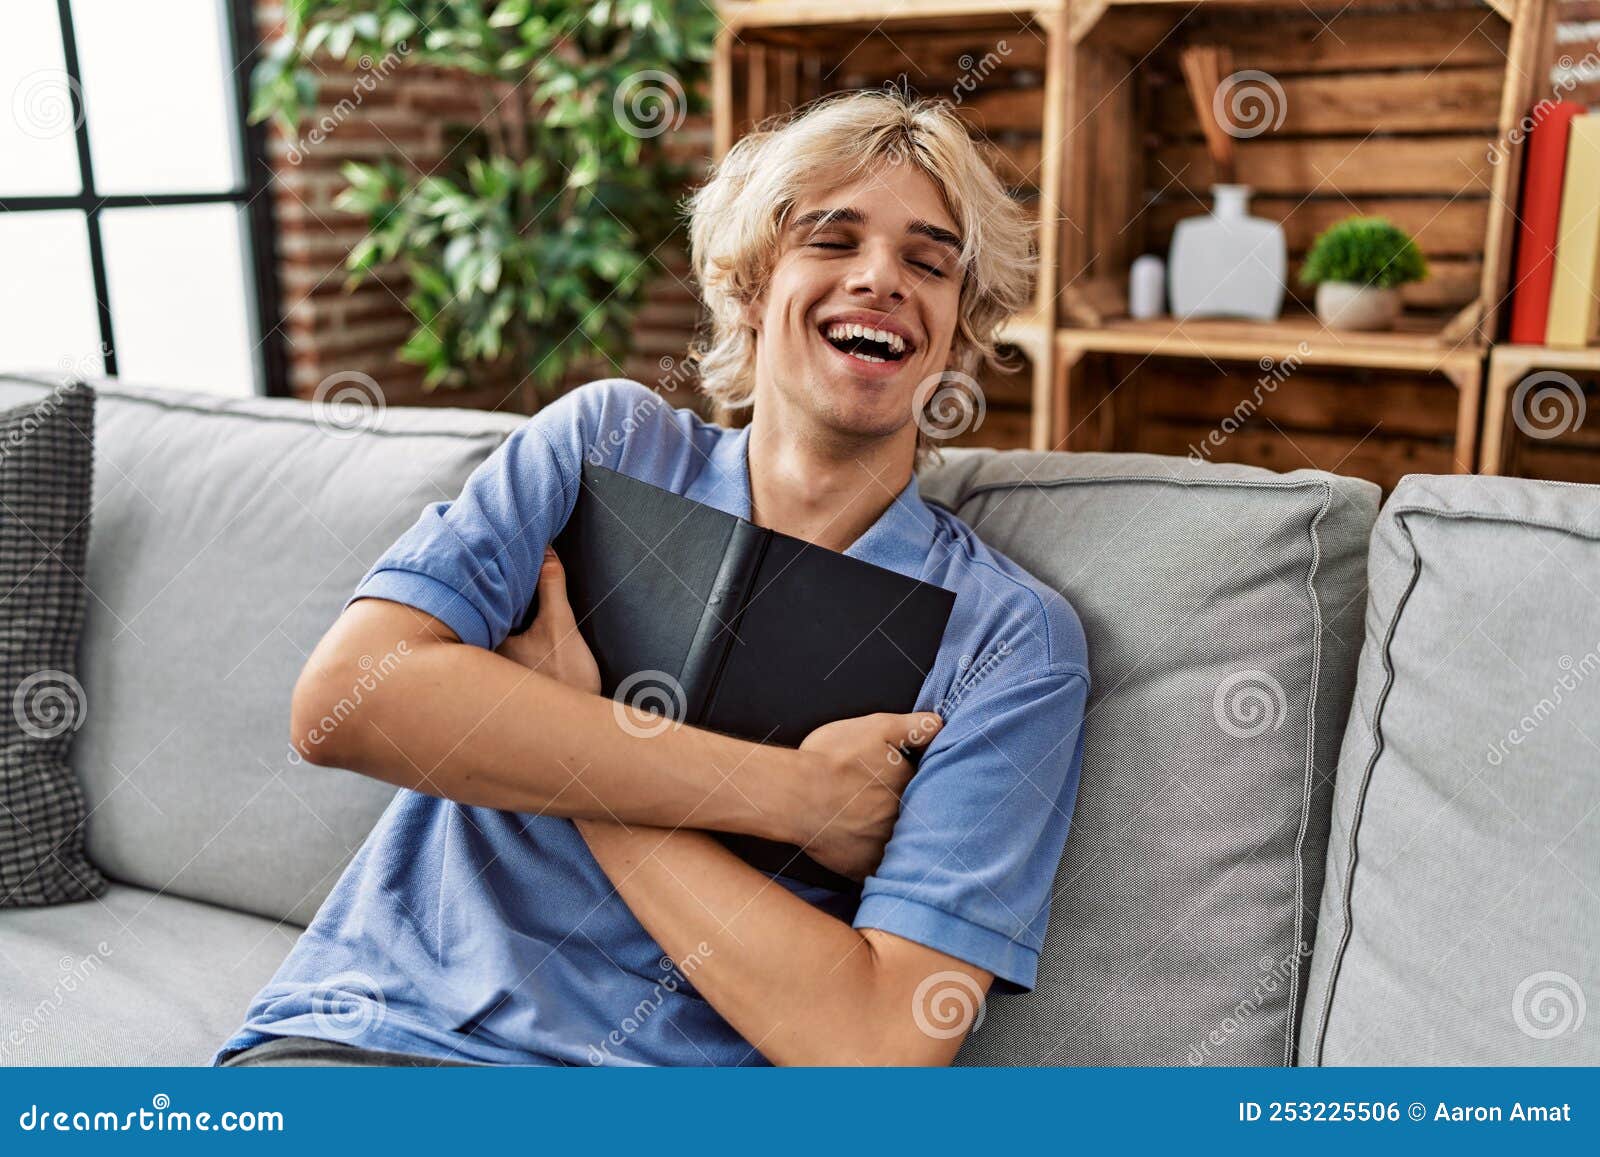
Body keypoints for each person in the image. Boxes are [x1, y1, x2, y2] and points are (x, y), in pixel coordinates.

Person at [214, 88, 1088, 1068]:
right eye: (831, 240)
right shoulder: (606, 446)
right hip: (376, 1038)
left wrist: (571, 750)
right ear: (749, 288)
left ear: (960, 330)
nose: (881, 276)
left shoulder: (1008, 638)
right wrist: (794, 796)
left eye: (929, 263)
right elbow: (344, 702)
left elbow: (877, 1046)